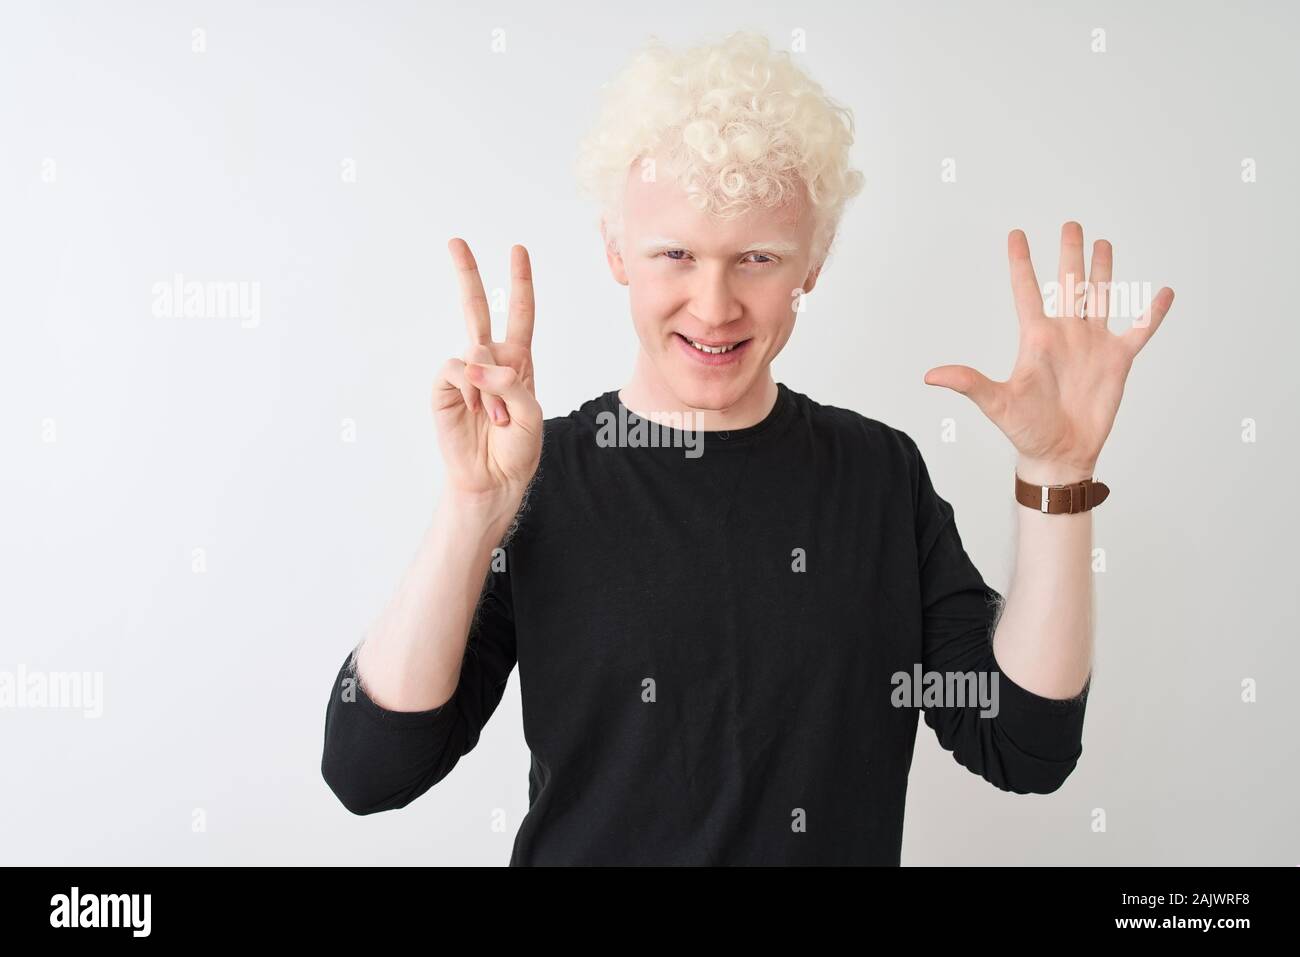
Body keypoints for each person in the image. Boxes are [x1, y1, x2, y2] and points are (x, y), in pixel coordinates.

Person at [319, 30, 1174, 865]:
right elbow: (368, 770)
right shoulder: (539, 476)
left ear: (815, 260)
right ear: (617, 250)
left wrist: (1057, 476)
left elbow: (1024, 743)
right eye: (675, 254)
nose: (715, 303)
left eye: (757, 257)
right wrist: (473, 510)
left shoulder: (879, 476)